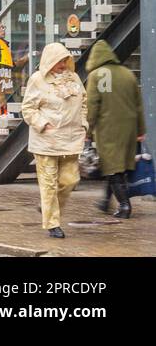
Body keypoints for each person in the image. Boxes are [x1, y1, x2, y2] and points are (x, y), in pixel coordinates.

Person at [21, 42, 88, 239]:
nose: (63, 65)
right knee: (48, 184)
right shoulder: (37, 80)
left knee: (70, 180)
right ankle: (53, 223)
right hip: (46, 141)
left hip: (71, 139)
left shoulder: (74, 78)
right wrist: (42, 124)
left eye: (65, 60)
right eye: (59, 61)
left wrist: (84, 123)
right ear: (49, 61)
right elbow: (28, 108)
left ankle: (46, 207)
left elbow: (84, 102)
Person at [86, 39, 145, 219]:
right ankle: (105, 202)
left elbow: (92, 106)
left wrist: (87, 130)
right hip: (129, 129)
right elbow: (138, 105)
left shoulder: (96, 75)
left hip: (108, 129)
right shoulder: (128, 74)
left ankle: (125, 206)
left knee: (113, 168)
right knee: (115, 167)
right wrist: (141, 130)